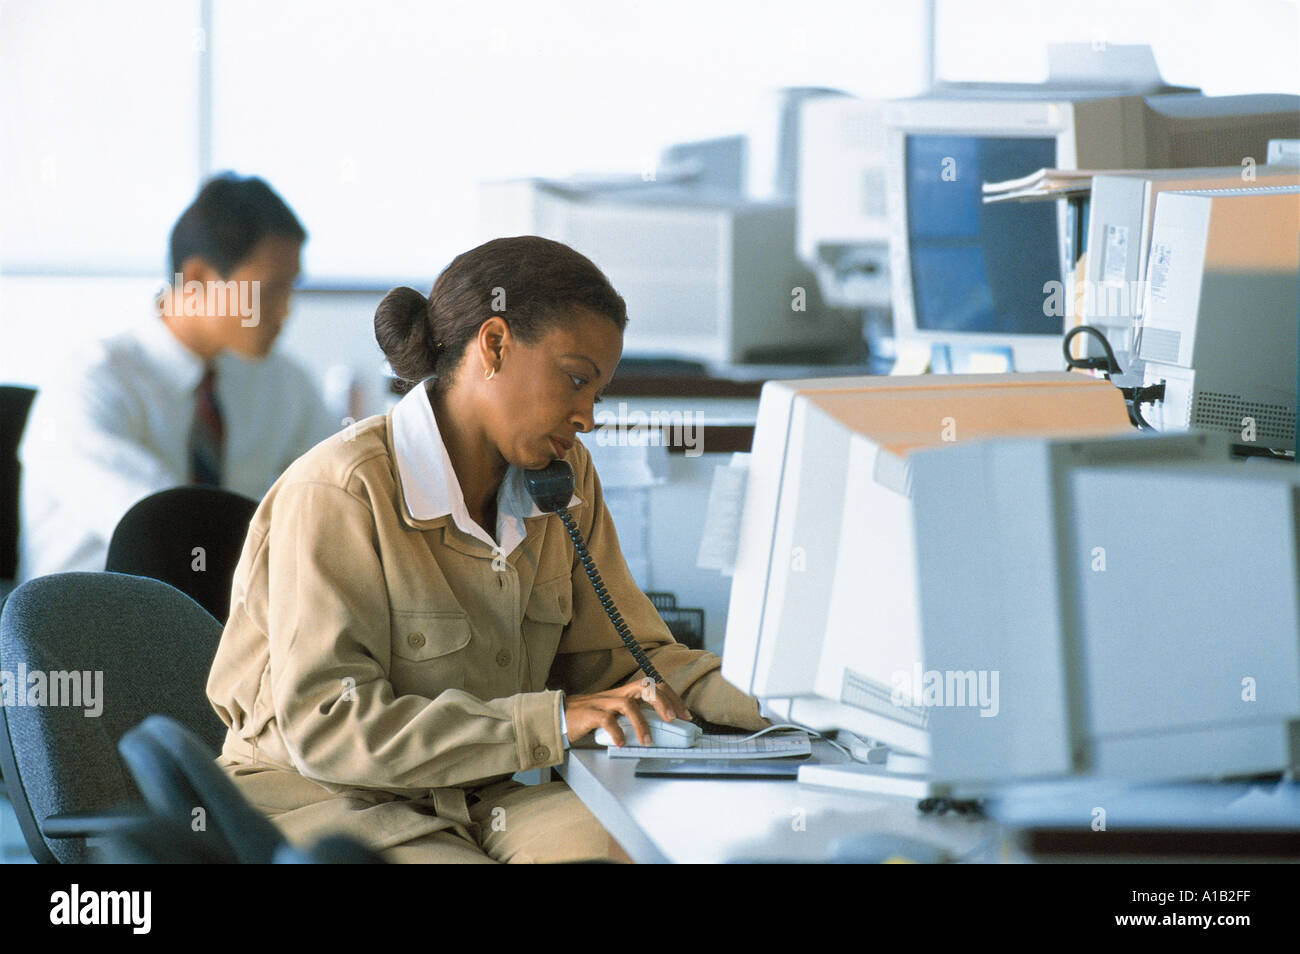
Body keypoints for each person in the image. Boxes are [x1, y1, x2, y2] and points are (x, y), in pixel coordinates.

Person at [205, 235, 769, 863]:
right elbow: (330, 727)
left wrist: (790, 703)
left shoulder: (564, 481)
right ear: (494, 345)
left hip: (480, 795)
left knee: (636, 851)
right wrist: (548, 723)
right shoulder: (341, 490)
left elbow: (629, 663)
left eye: (597, 394)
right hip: (328, 798)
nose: (587, 416)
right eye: (575, 379)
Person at [16, 174, 336, 581]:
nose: (286, 311)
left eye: (291, 290)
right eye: (269, 292)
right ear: (199, 278)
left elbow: (342, 491)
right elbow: (170, 533)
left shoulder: (282, 382)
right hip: (89, 630)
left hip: (223, 621)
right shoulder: (89, 383)